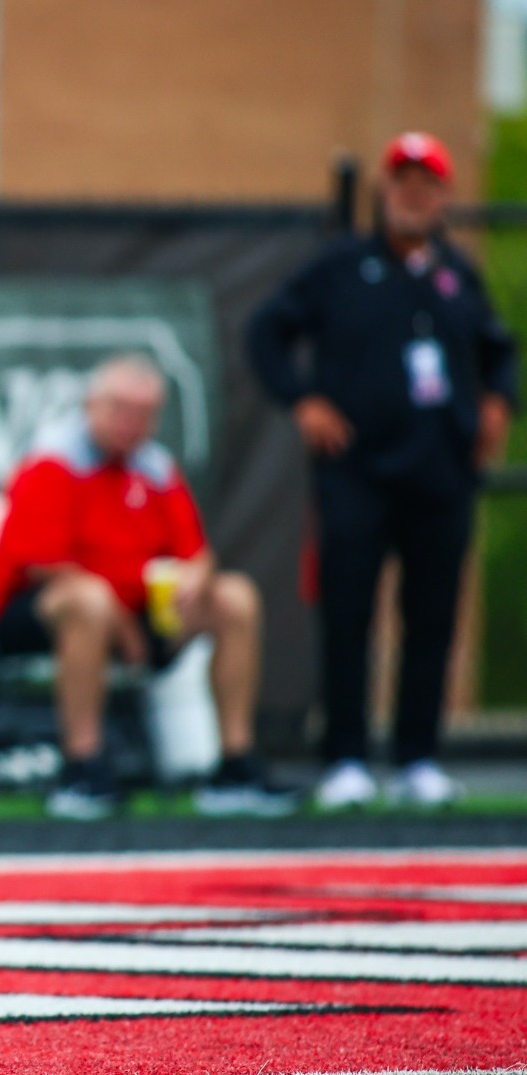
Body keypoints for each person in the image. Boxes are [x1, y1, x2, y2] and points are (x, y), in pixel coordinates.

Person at [248, 132, 517, 810]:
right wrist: (301, 399)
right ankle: (344, 756)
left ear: (445, 197)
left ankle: (418, 756)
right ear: (383, 192)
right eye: (403, 183)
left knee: (431, 617)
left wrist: (497, 402)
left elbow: (500, 350)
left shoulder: (457, 275)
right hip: (356, 469)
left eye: (428, 185)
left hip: (440, 472)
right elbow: (266, 331)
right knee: (348, 613)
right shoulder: (341, 267)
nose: (414, 196)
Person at [0, 355, 293, 820]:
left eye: (144, 413)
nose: (132, 423)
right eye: (120, 409)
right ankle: (82, 765)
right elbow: (44, 565)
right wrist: (122, 626)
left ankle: (234, 765)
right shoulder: (53, 462)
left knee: (235, 596)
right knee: (88, 602)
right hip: (42, 615)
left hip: (140, 613)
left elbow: (196, 552)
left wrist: (196, 578)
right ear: (91, 405)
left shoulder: (155, 470)